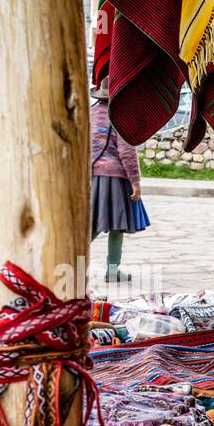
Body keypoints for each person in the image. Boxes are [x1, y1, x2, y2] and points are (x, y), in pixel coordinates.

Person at [90, 77, 148, 281]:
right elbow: (126, 150)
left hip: (91, 176)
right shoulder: (120, 115)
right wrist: (135, 181)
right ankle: (112, 271)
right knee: (116, 225)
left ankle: (74, 265)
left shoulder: (90, 113)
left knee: (92, 224)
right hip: (114, 177)